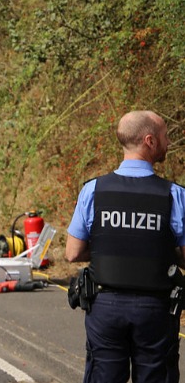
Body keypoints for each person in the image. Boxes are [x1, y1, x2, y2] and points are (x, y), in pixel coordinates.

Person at [65, 110, 185, 382]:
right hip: (156, 309)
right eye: (165, 136)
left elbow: (72, 253)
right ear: (150, 141)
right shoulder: (175, 195)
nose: (169, 142)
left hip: (105, 306)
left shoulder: (93, 190)